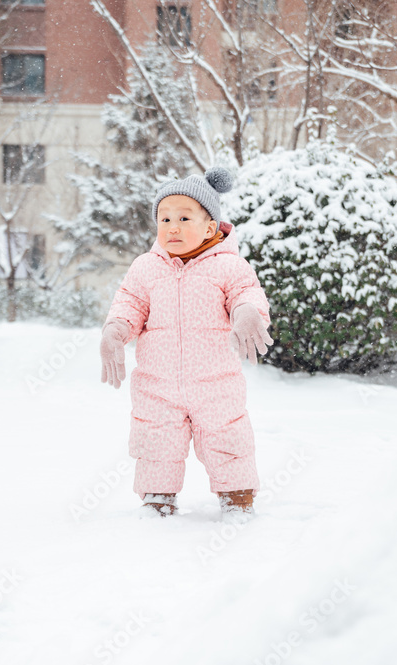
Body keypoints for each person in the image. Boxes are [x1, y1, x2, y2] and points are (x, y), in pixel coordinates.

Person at [99, 167, 273, 518]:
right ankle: (157, 499)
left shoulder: (229, 265)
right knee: (156, 440)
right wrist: (116, 329)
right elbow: (130, 303)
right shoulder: (146, 267)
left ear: (210, 226)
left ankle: (237, 498)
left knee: (228, 439)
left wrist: (247, 312)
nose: (172, 227)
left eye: (183, 217)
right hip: (157, 385)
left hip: (216, 383)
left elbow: (246, 293)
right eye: (164, 219)